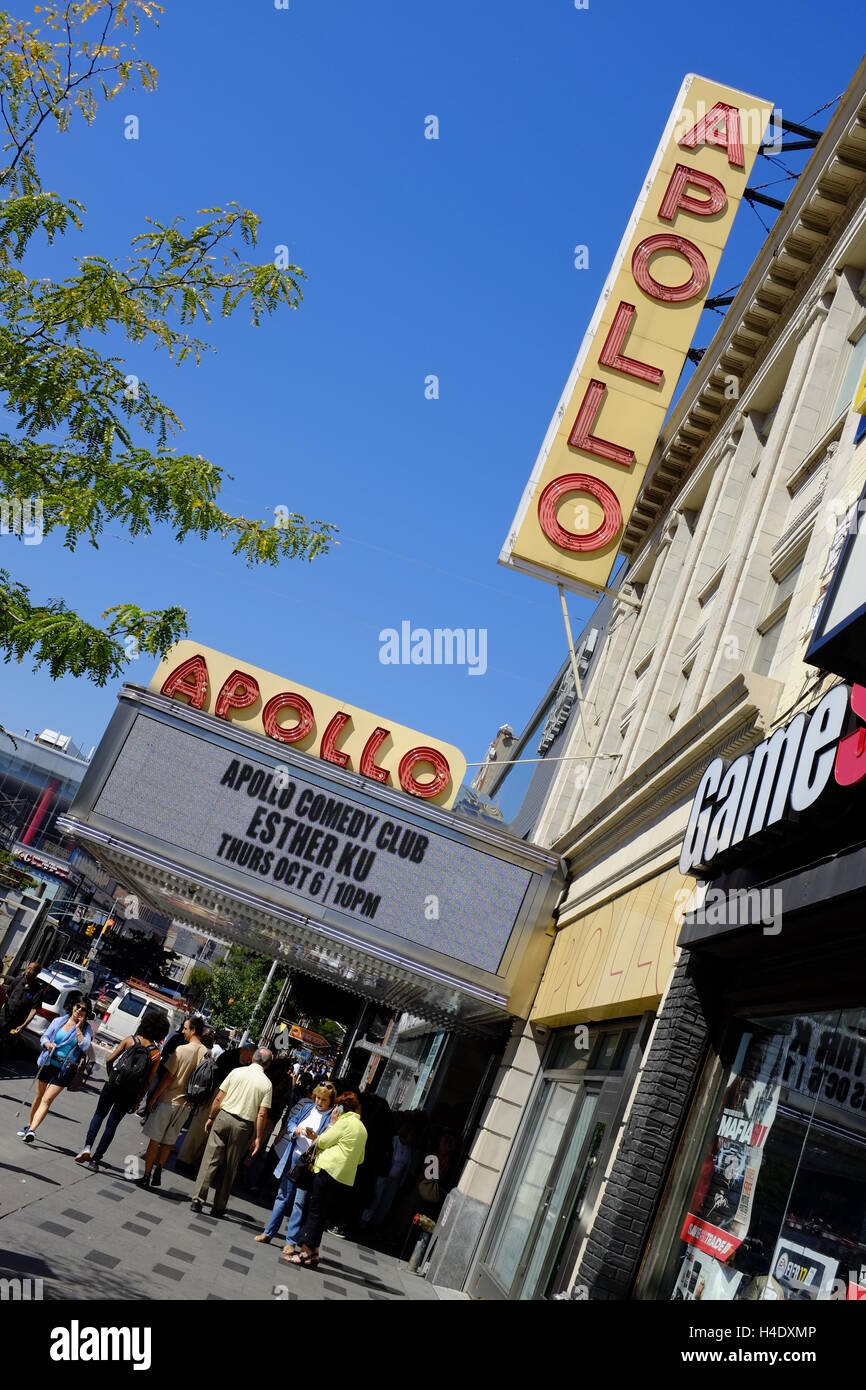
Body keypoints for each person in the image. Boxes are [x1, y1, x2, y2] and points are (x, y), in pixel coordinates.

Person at [75, 1006, 169, 1169]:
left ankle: (87, 1147)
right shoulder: (155, 1055)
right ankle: (96, 1160)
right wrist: (138, 1101)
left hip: (113, 1085)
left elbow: (110, 1059)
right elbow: (148, 1082)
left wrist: (112, 1076)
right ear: (161, 1032)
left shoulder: (130, 1040)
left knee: (99, 1115)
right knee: (112, 1124)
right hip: (130, 1093)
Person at [288, 1091, 367, 1269]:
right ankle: (314, 1253)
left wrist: (331, 1123)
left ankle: (305, 1253)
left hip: (328, 1172)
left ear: (341, 1108)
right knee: (322, 1214)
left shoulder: (344, 1122)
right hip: (344, 1179)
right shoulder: (362, 1128)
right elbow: (360, 1158)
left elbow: (322, 1141)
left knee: (314, 1212)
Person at [191, 1046, 273, 1216]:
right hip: (243, 1126)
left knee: (210, 1160)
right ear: (268, 1064)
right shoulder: (266, 1084)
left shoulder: (236, 1072)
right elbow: (262, 1113)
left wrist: (211, 1117)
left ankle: (198, 1199)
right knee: (230, 1165)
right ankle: (219, 1205)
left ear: (253, 1058)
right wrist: (258, 1137)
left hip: (223, 1117)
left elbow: (219, 1098)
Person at [255, 1082, 336, 1250]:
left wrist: (316, 1138)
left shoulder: (331, 1118)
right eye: (318, 1098)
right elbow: (291, 1122)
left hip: (307, 1164)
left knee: (299, 1202)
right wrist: (295, 1130)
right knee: (282, 1195)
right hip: (292, 1157)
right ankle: (269, 1232)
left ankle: (291, 1242)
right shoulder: (308, 1108)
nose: (319, 1102)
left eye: (324, 1100)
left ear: (330, 1101)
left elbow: (329, 1140)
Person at [134, 1013, 207, 1188]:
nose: (183, 1032)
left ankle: (147, 1174)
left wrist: (154, 1097)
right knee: (169, 1141)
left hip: (169, 1100)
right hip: (187, 1105)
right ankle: (160, 1167)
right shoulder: (206, 1053)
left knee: (155, 1139)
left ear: (193, 1030)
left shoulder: (181, 1050)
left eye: (186, 1028)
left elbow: (168, 1077)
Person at [18, 998, 93, 1142]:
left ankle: (32, 1131)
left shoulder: (86, 1029)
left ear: (86, 1012)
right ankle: (29, 1125)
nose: (79, 1010)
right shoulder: (59, 1021)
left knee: (47, 1099)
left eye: (83, 1009)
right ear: (73, 1006)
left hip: (65, 1069)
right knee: (39, 1096)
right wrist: (47, 1044)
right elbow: (45, 1036)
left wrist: (78, 1027)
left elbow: (85, 1046)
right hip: (48, 1063)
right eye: (78, 1006)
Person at [1, 962, 45, 1055]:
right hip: (4, 1017)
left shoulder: (38, 990)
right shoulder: (18, 980)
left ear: (37, 973)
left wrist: (22, 1026)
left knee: (5, 1046)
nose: (28, 971)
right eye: (28, 968)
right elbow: (7, 995)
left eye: (32, 969)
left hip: (17, 1023)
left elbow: (34, 1010)